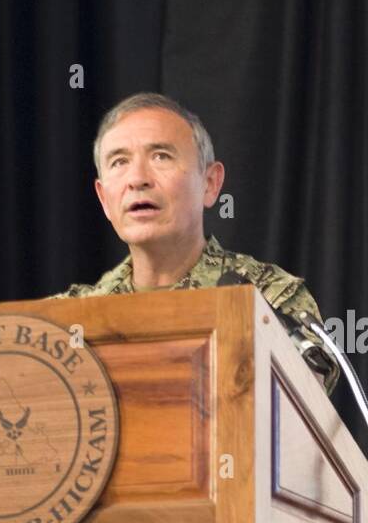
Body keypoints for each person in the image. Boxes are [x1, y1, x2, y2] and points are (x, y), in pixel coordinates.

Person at [53, 92, 339, 395]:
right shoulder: (69, 317)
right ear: (103, 199)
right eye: (119, 162)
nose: (137, 179)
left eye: (161, 156)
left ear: (210, 183)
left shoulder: (267, 294)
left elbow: (304, 405)